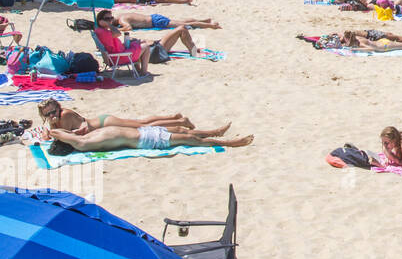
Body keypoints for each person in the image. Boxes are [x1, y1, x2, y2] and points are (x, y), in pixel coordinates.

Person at [47, 123, 253, 155]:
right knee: (191, 140)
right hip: (146, 140)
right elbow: (54, 132)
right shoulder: (81, 144)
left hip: (144, 133)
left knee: (185, 133)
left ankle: (214, 132)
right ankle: (230, 143)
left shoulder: (82, 139)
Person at [95, 9, 201, 70]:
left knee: (179, 27)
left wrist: (136, 41)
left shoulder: (101, 32)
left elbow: (113, 43)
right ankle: (194, 52)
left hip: (139, 52)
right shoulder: (106, 32)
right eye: (107, 19)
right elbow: (118, 33)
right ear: (100, 21)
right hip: (155, 52)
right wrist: (110, 25)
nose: (110, 20)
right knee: (182, 28)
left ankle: (194, 49)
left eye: (111, 18)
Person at [37, 99, 194, 134]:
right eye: (48, 114)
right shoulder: (56, 118)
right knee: (141, 122)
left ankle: (180, 122)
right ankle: (174, 117)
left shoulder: (65, 115)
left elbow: (61, 135)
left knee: (142, 126)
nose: (52, 115)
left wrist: (50, 129)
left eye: (53, 111)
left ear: (58, 107)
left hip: (105, 123)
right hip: (103, 122)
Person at [114, 12, 221, 31]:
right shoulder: (121, 15)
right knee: (180, 21)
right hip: (154, 17)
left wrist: (117, 29)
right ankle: (204, 20)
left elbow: (128, 28)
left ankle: (211, 25)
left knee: (185, 24)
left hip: (155, 22)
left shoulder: (122, 20)